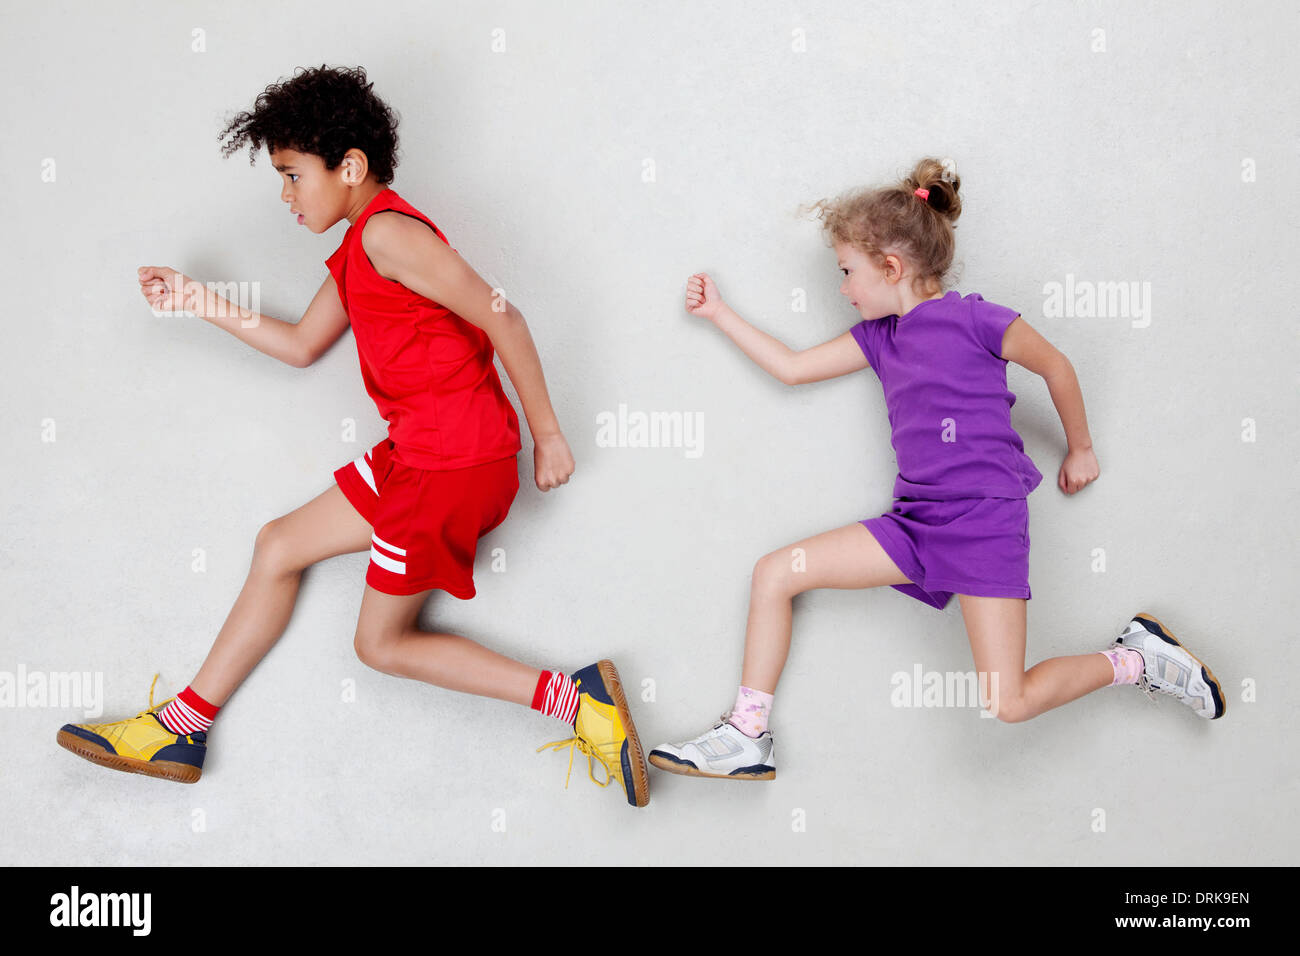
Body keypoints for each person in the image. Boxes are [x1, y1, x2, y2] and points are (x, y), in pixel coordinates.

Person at [56, 64, 649, 808]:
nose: (285, 194)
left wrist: (550, 434)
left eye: (292, 174)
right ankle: (182, 727)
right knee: (278, 546)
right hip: (420, 454)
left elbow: (504, 314)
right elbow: (304, 344)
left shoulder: (392, 235)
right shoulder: (357, 248)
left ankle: (581, 701)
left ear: (350, 167)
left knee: (380, 645)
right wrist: (196, 299)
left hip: (453, 462)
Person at [650, 157, 1225, 781]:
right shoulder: (879, 338)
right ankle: (746, 734)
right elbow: (791, 368)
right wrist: (721, 315)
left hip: (984, 523)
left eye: (847, 273)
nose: (843, 290)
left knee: (1009, 702)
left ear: (891, 268)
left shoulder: (978, 320)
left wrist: (1080, 447)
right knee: (774, 573)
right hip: (916, 521)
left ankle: (1139, 660)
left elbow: (1056, 365)